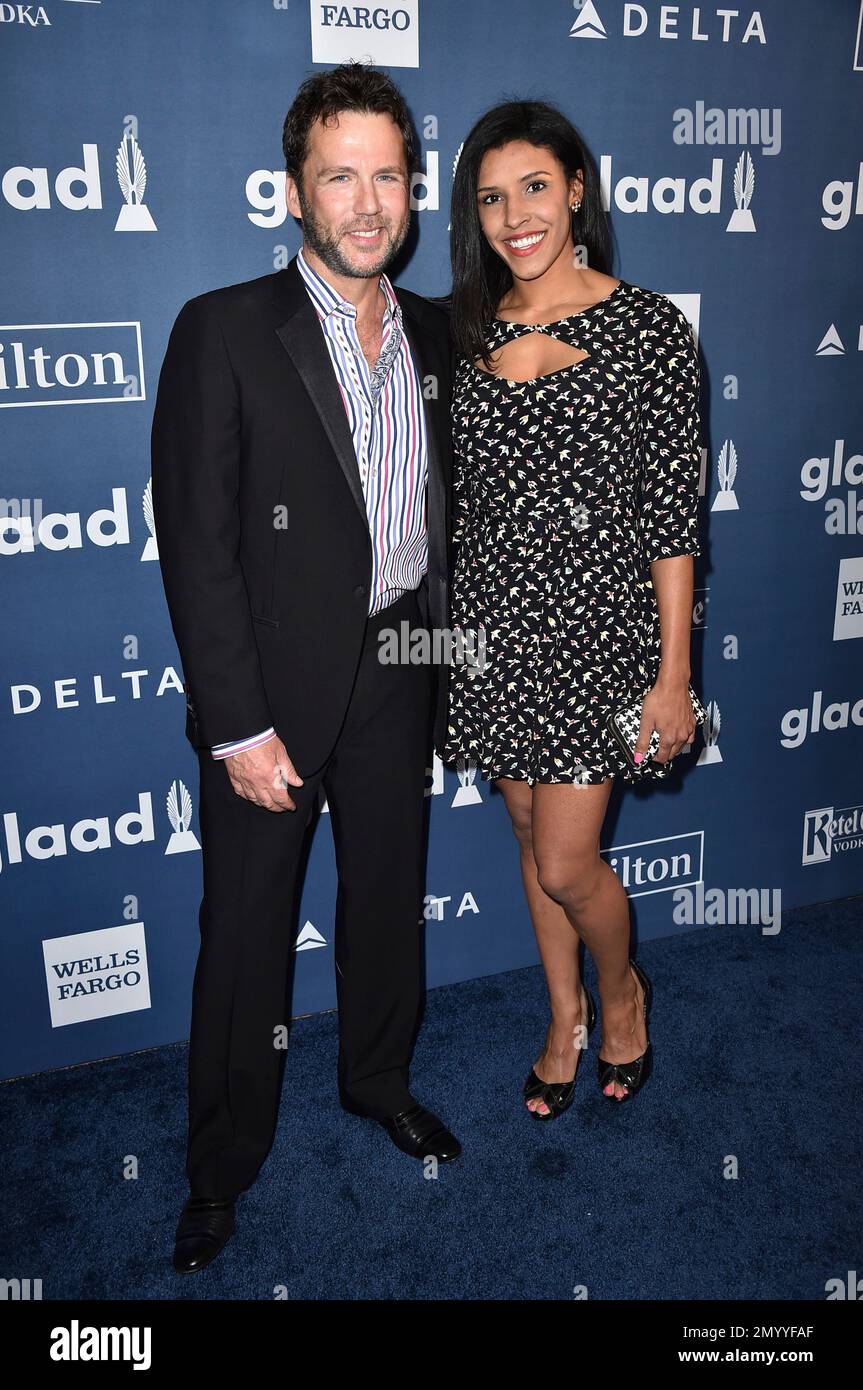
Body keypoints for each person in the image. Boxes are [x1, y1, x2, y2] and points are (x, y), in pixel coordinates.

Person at [151, 61, 459, 1275]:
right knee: (246, 940)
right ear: (294, 191)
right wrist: (235, 724)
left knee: (386, 901)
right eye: (342, 175)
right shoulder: (222, 329)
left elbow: (451, 519)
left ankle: (376, 1079)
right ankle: (220, 1167)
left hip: (398, 670)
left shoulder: (438, 331)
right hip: (269, 695)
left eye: (388, 174)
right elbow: (198, 541)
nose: (369, 200)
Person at [441, 100, 704, 1120]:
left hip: (601, 633)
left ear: (576, 188)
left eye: (534, 187)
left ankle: (621, 994)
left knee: (565, 857)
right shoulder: (461, 333)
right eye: (492, 197)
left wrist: (672, 674)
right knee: (522, 831)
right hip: (493, 629)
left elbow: (670, 518)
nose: (516, 215)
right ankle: (562, 1017)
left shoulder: (647, 328)